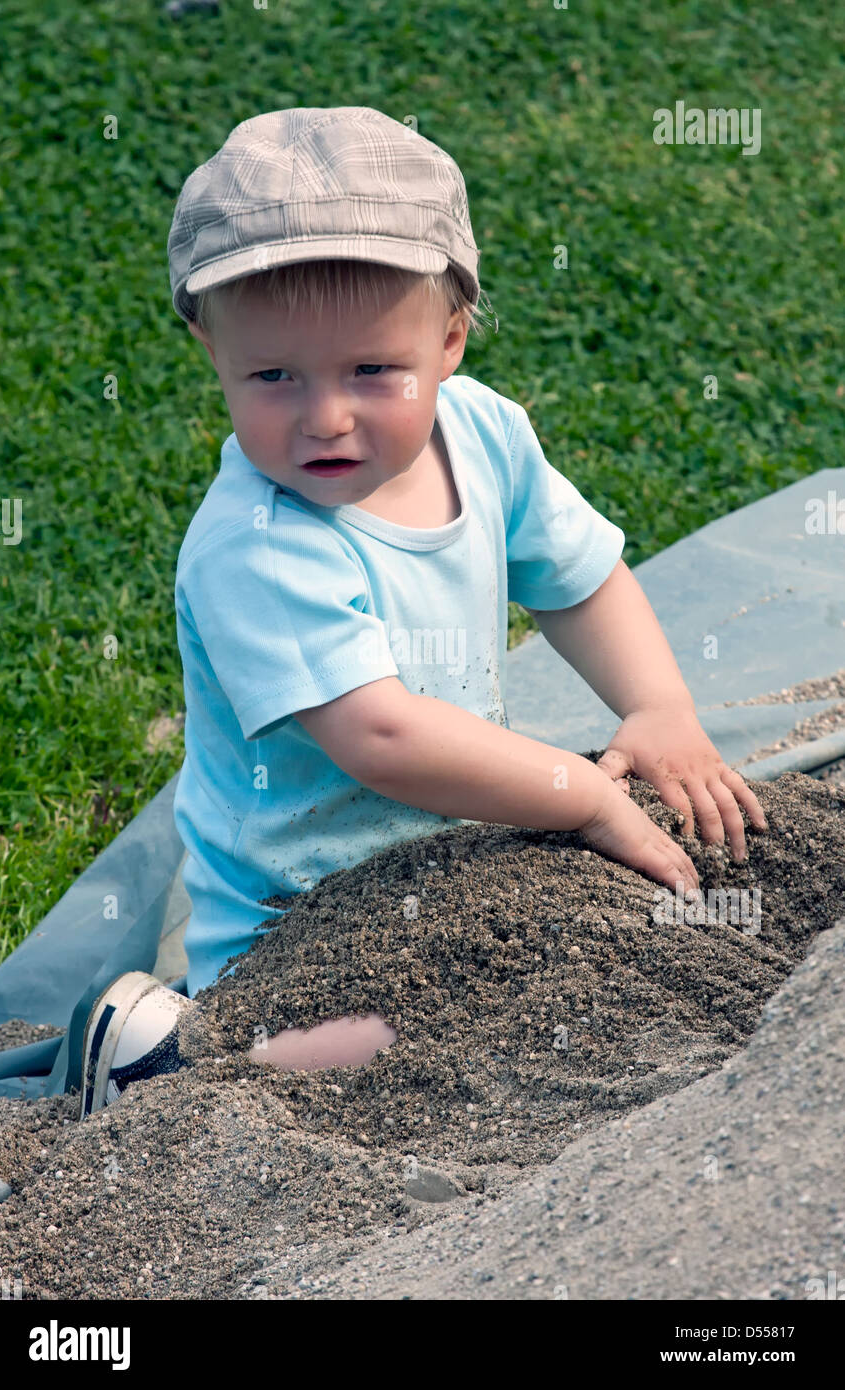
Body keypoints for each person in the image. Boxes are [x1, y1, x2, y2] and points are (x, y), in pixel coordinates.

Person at [79, 107, 767, 1118]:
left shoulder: (482, 433)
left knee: (599, 964)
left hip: (456, 851)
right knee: (380, 1061)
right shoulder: (258, 547)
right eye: (273, 376)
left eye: (369, 370)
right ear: (207, 347)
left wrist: (656, 706)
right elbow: (383, 734)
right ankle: (167, 1054)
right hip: (298, 923)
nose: (325, 415)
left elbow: (576, 578)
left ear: (447, 340)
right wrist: (577, 792)